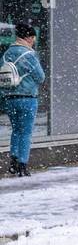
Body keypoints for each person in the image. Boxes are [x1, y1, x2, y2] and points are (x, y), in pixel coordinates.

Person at [2, 21, 45, 177]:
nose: (34, 40)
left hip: (10, 98)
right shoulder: (28, 54)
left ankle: (13, 162)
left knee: (16, 131)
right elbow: (40, 77)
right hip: (27, 98)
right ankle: (22, 164)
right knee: (26, 132)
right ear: (27, 37)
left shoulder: (7, 53)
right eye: (33, 37)